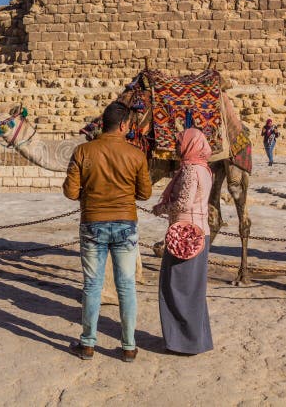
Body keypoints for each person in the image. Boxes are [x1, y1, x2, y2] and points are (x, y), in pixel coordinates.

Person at [63, 101, 152, 362]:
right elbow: (145, 194)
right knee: (126, 285)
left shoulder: (83, 151)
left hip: (92, 223)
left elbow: (70, 191)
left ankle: (88, 344)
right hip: (125, 224)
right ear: (124, 125)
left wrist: (90, 195)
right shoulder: (136, 155)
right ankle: (128, 346)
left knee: (92, 284)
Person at [152, 128, 214, 355]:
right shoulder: (205, 169)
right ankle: (195, 339)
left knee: (176, 287)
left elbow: (183, 204)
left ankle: (182, 343)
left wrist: (161, 208)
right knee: (192, 289)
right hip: (200, 231)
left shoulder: (189, 170)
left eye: (180, 143)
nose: (178, 147)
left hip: (185, 235)